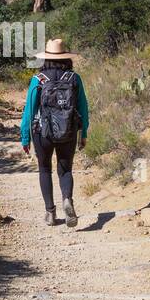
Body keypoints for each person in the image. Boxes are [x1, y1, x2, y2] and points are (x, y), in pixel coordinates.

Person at [20, 38, 89, 227]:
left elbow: (29, 111)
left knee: (44, 169)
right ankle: (67, 199)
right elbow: (83, 107)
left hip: (43, 133)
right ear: (66, 58)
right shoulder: (74, 78)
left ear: (45, 59)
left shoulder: (38, 80)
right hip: (68, 130)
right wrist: (83, 134)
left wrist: (25, 137)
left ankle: (50, 213)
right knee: (65, 170)